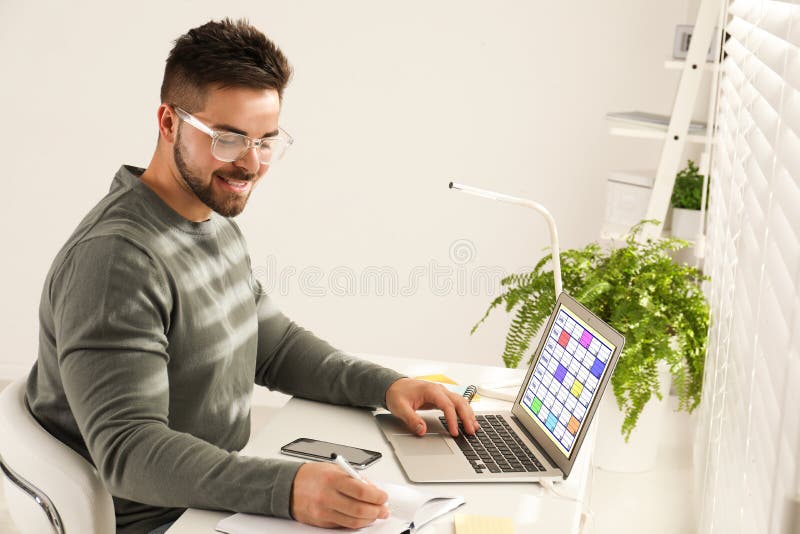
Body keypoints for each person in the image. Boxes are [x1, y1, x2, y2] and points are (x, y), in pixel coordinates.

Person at [24, 18, 478, 534]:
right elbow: (130, 451)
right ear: (168, 122)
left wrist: (387, 385)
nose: (250, 163)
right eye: (228, 138)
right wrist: (286, 489)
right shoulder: (116, 261)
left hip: (215, 504)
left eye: (266, 141)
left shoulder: (211, 219)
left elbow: (272, 345)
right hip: (165, 521)